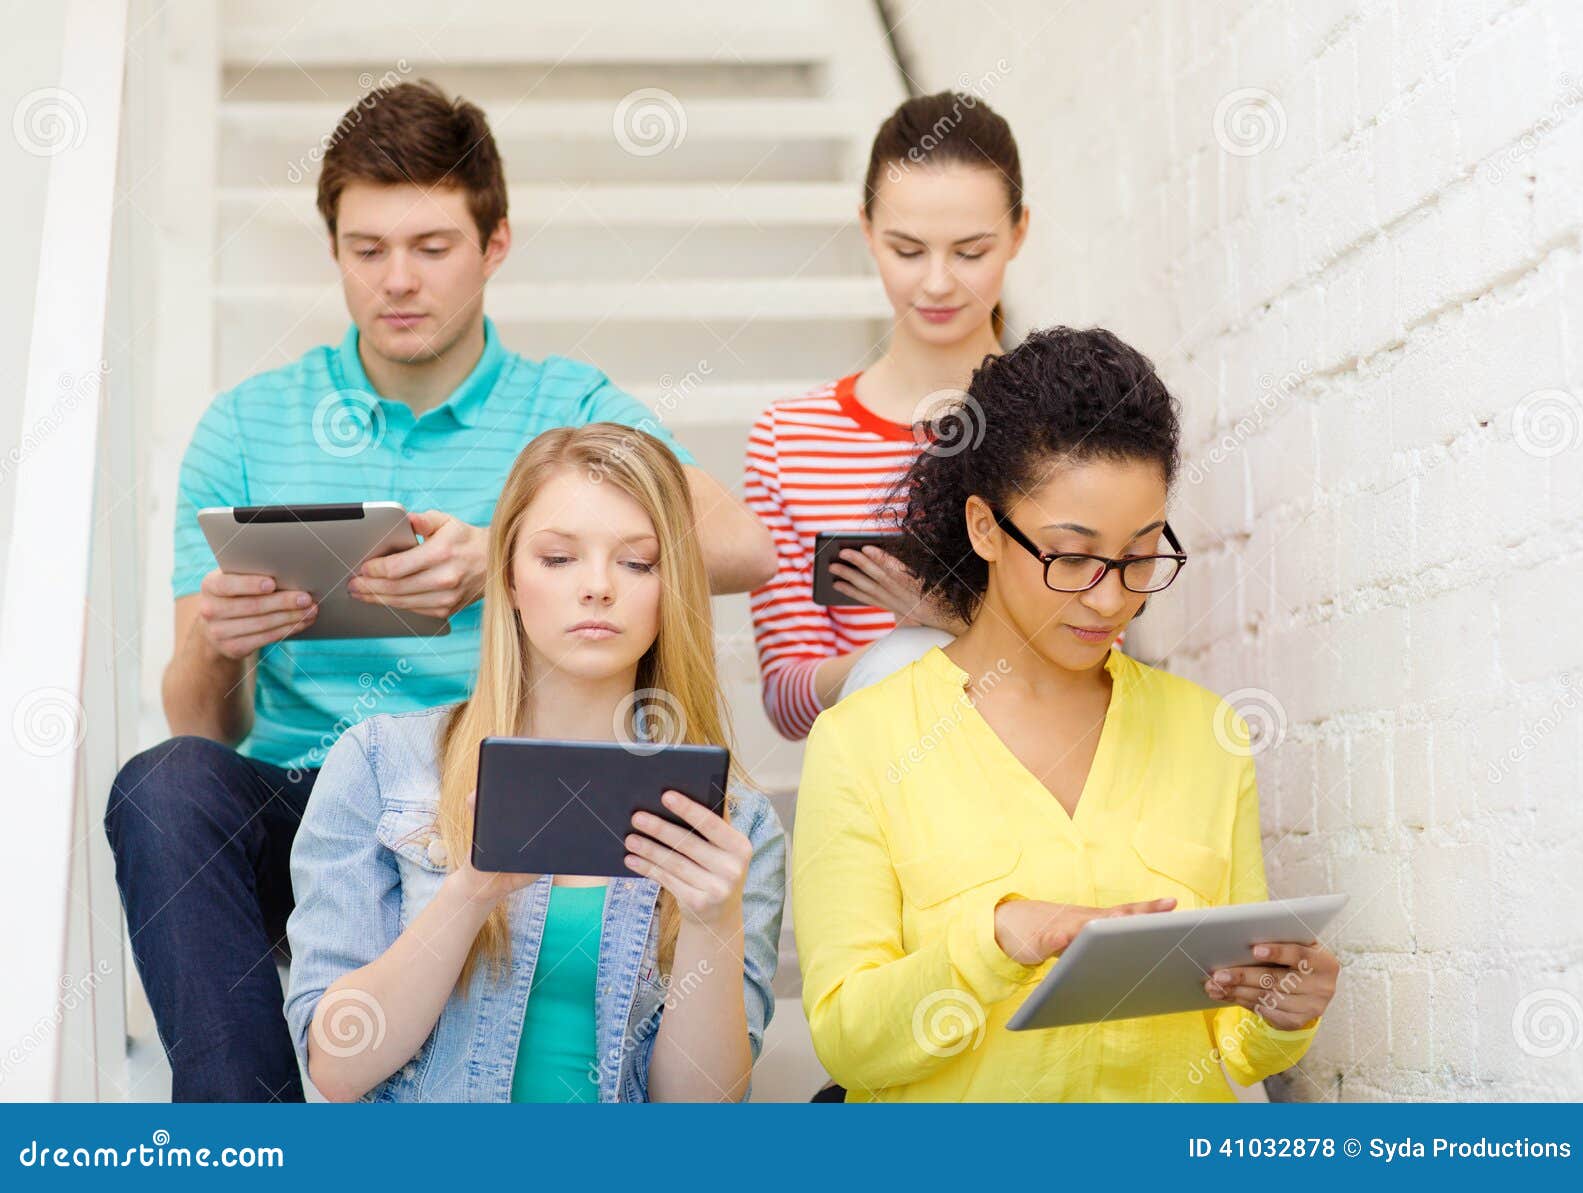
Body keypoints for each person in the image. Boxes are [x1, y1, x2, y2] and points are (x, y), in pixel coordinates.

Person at [104, 80, 774, 1102]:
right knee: (164, 780)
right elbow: (202, 724)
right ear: (331, 251)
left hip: (491, 777)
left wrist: (498, 556)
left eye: (431, 245)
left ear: (495, 242)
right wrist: (220, 643)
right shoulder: (246, 425)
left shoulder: (567, 407)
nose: (397, 280)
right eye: (366, 251)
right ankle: (243, 1134)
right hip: (313, 792)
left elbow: (741, 546)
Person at [793, 327, 1340, 1101]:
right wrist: (996, 942)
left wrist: (1285, 1012)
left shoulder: (1206, 732)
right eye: (1072, 556)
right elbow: (850, 1044)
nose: (1112, 597)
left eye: (1142, 554)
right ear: (985, 527)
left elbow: (1231, 1043)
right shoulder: (863, 742)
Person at [285, 424, 784, 1102]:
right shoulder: (379, 763)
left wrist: (710, 923)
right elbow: (336, 1067)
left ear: (673, 589)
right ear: (510, 579)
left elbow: (699, 1117)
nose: (599, 587)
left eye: (639, 562)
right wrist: (467, 895)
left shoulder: (737, 823)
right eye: (558, 558)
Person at [745, 92, 1033, 741]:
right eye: (907, 250)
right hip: (873, 781)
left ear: (1018, 233)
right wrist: (905, 646)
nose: (936, 283)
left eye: (969, 252)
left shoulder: (1060, 427)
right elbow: (788, 700)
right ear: (868, 230)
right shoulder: (789, 438)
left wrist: (948, 618)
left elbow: (1102, 657)